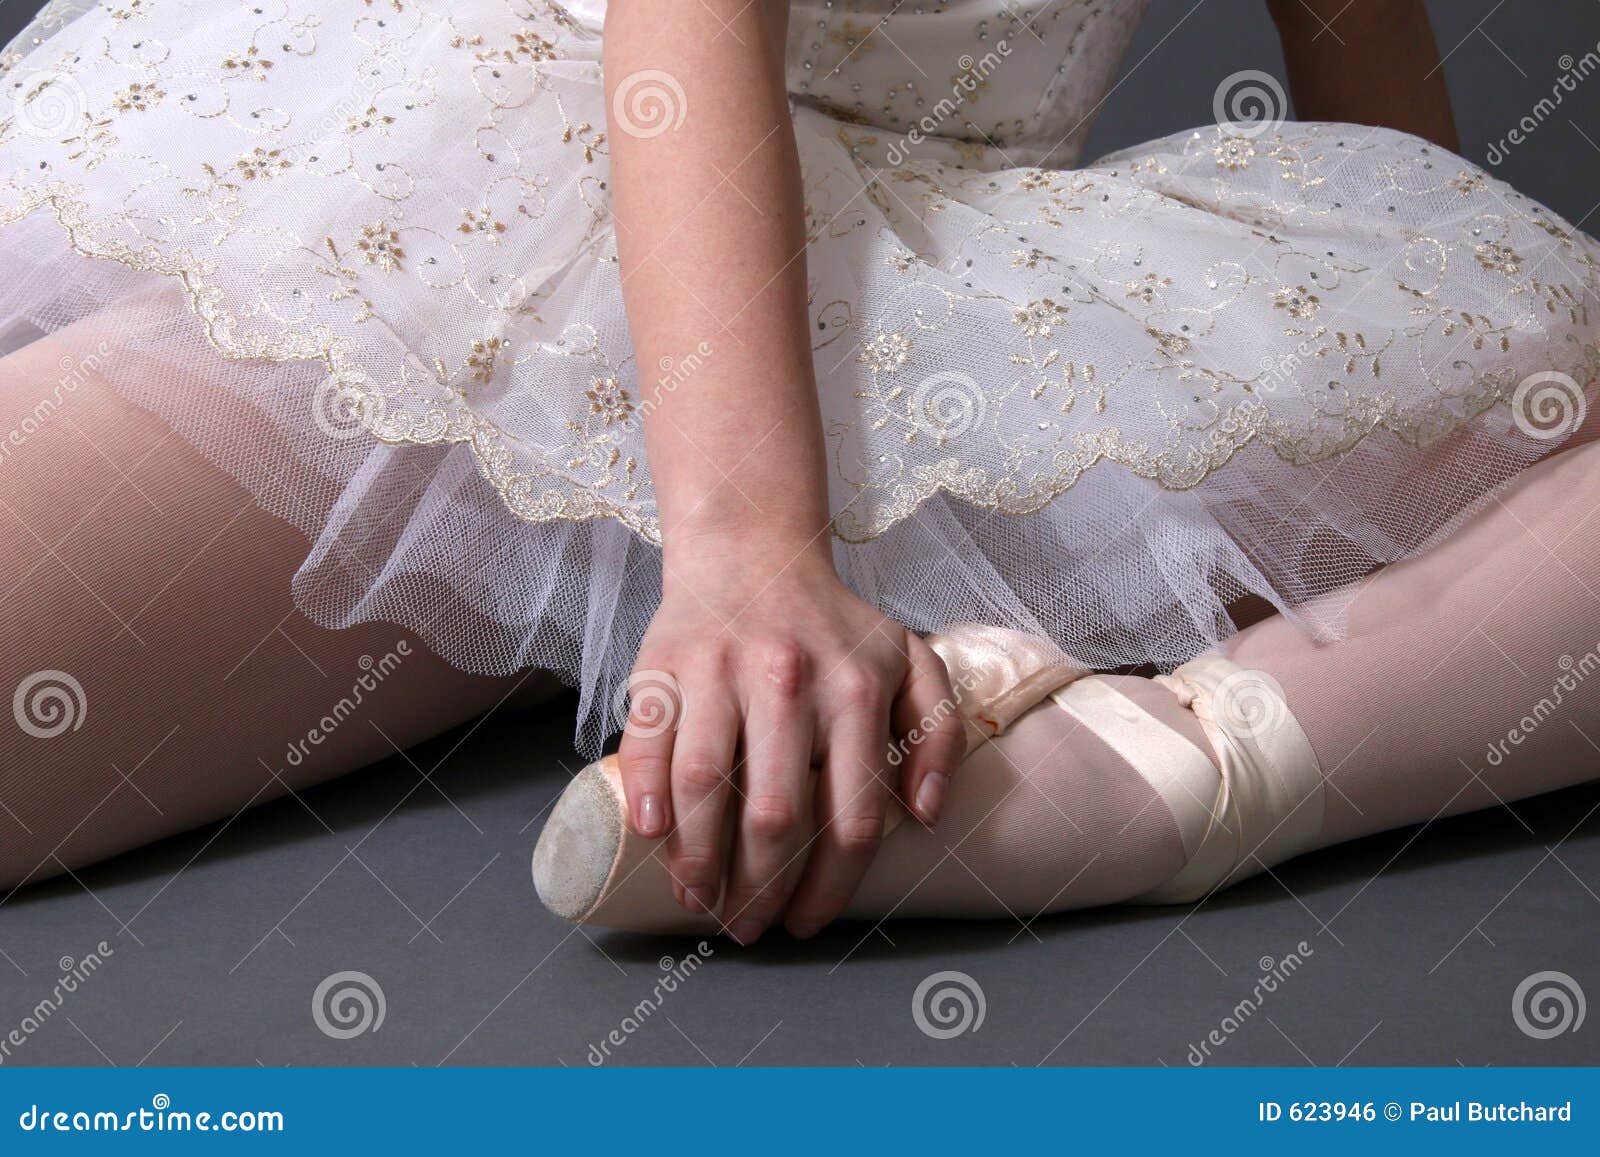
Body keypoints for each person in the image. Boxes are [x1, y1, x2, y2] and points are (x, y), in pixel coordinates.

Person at [1, 1, 1595, 944]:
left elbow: (1383, 118)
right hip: (559, 183)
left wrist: (1415, 340)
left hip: (955, 272)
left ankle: (1150, 779)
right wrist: (748, 551)